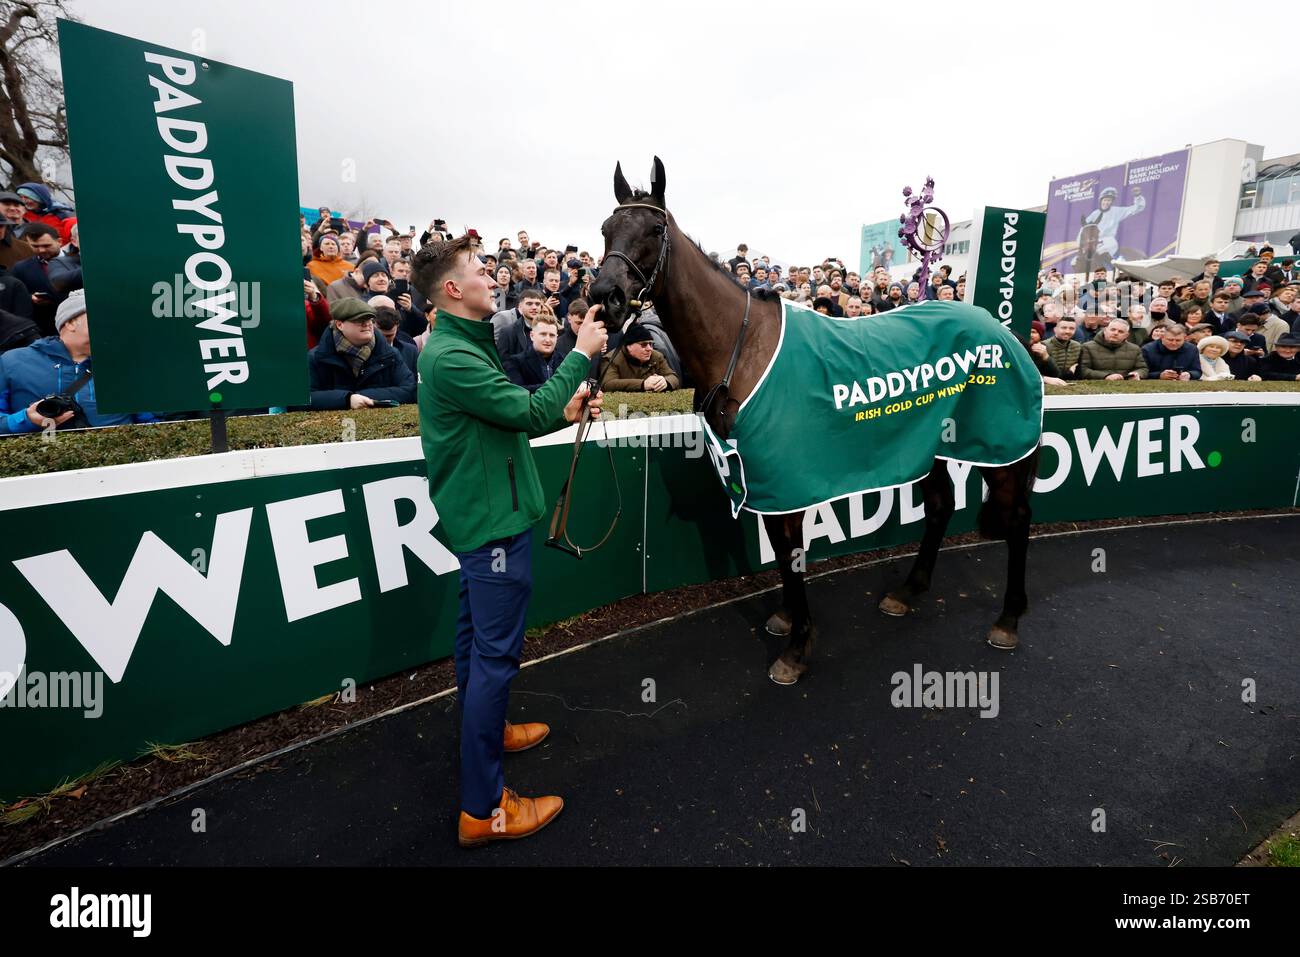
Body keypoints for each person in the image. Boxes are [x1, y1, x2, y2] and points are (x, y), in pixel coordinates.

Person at [410, 233, 609, 848]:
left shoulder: (465, 344)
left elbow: (517, 412)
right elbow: (522, 414)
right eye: (476, 268)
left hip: (489, 520)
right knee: (495, 659)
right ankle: (483, 809)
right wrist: (579, 354)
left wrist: (566, 410)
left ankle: (487, 737)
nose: (488, 274)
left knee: (476, 648)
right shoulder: (451, 355)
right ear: (451, 289)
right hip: (491, 527)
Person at [0, 290, 158, 434]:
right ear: (70, 323)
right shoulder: (12, 362)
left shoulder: (126, 364)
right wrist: (26, 419)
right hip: (43, 461)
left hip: (121, 460)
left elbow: (151, 422)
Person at [306, 298, 416, 410]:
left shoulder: (390, 354)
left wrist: (361, 397)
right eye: (360, 320)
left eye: (370, 319)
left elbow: (410, 390)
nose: (367, 324)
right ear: (340, 325)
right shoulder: (315, 358)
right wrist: (347, 399)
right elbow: (303, 399)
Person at [599, 323, 679, 392]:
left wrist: (665, 382)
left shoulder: (657, 356)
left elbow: (673, 377)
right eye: (643, 345)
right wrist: (643, 384)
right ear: (629, 346)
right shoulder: (612, 358)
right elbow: (607, 384)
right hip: (623, 404)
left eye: (651, 344)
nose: (649, 349)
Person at [503, 314, 564, 392]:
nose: (548, 340)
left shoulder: (564, 361)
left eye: (552, 335)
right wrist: (555, 386)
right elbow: (517, 391)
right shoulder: (515, 362)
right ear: (532, 336)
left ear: (557, 337)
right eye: (543, 334)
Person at [1078, 317, 1147, 380]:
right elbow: (1083, 370)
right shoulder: (1087, 347)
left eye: (1120, 331)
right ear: (1105, 330)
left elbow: (1143, 369)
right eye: (1113, 330)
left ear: (1126, 335)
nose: (1115, 333)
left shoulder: (1135, 349)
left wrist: (1137, 373)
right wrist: (1105, 376)